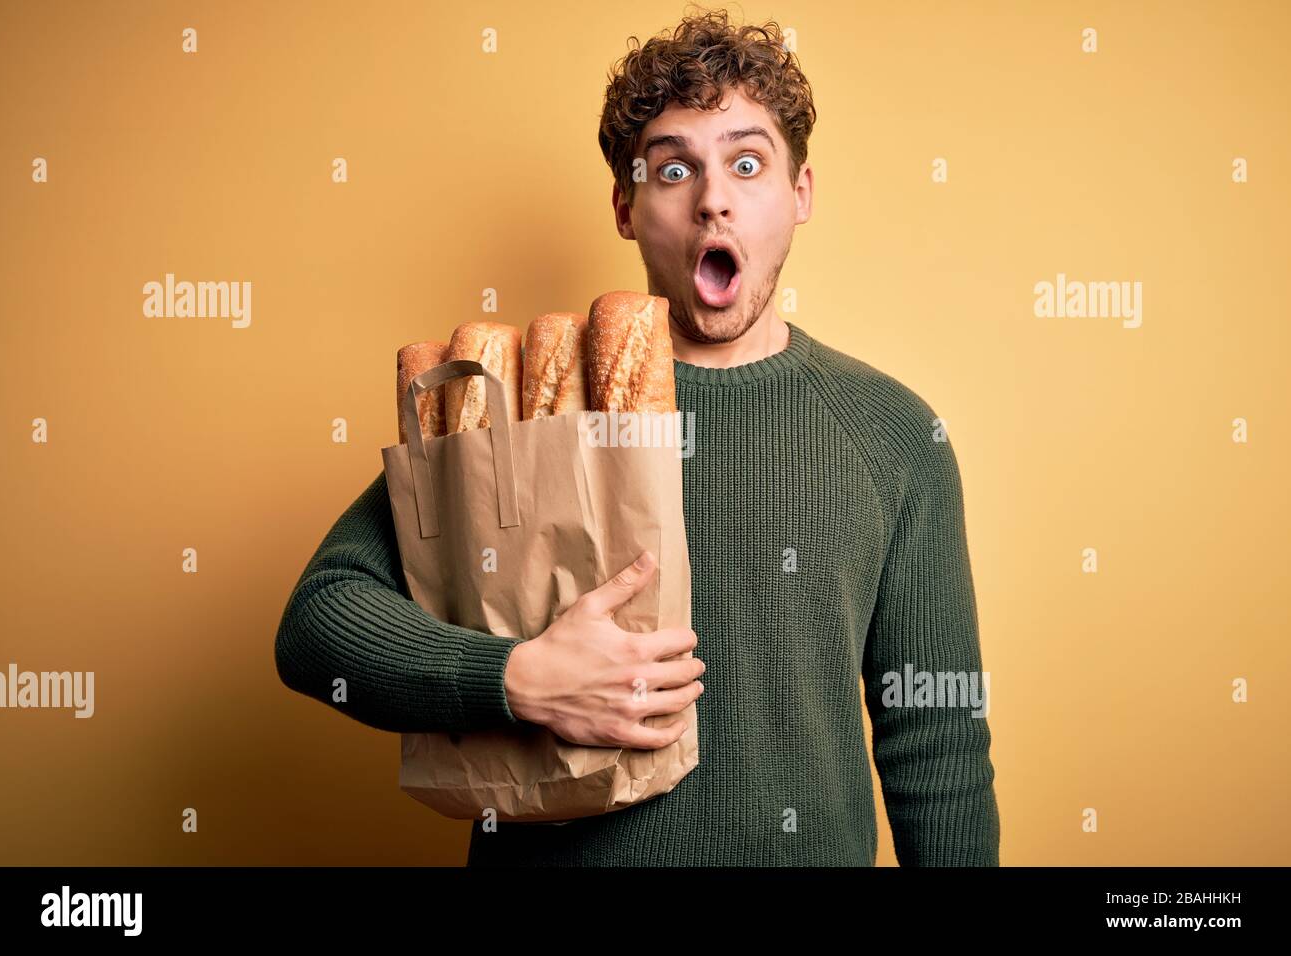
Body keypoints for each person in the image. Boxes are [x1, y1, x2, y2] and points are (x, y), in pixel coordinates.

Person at [275, 8, 1001, 866]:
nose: (713, 198)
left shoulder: (895, 435)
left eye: (745, 162)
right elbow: (316, 625)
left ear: (799, 195)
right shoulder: (532, 405)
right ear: (626, 206)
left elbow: (937, 747)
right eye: (672, 170)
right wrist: (516, 679)